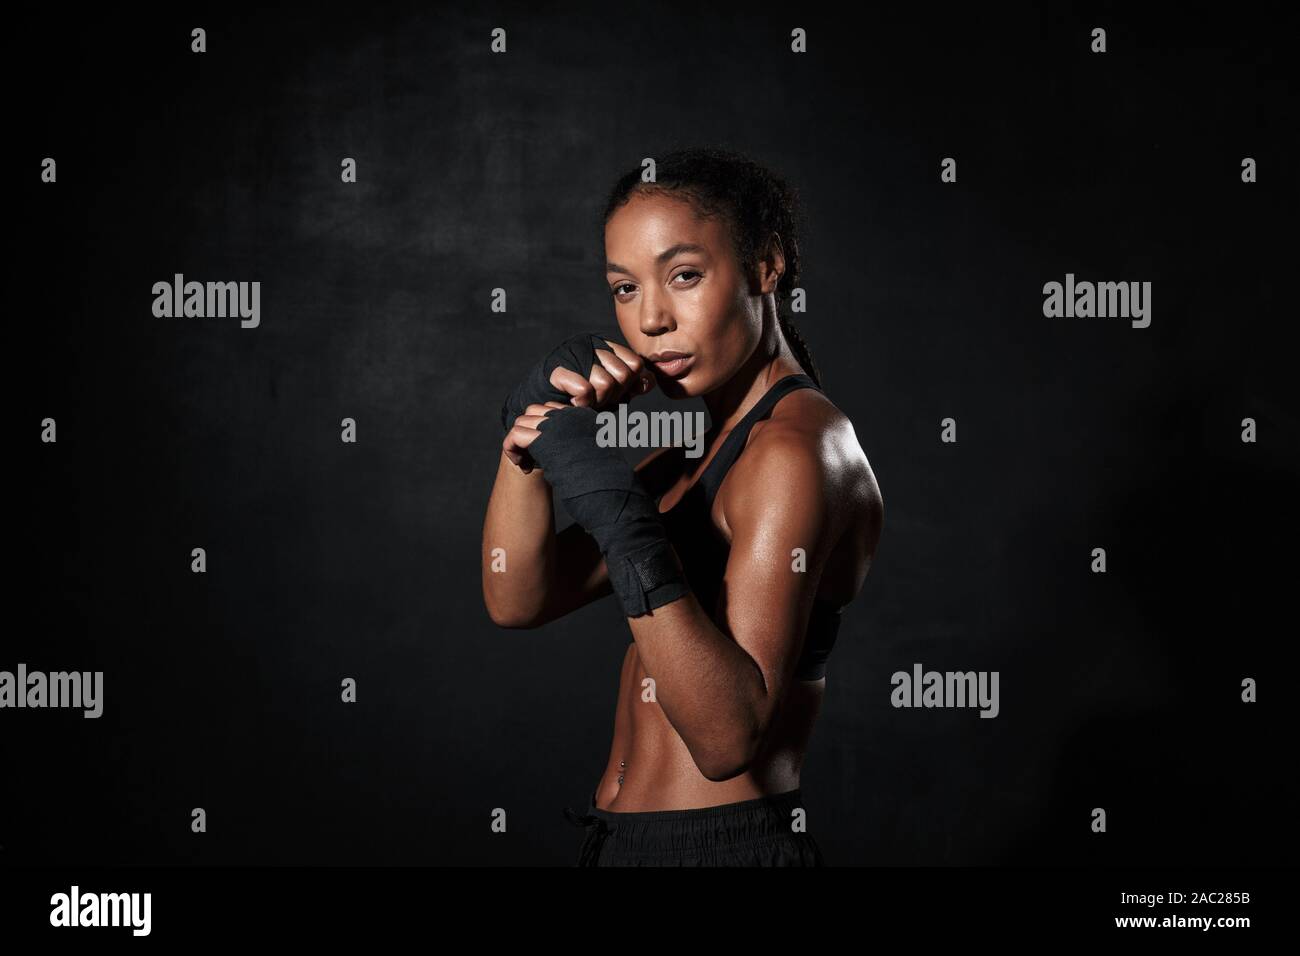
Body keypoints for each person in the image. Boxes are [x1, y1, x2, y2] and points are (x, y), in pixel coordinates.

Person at [482, 147, 883, 865]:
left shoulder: (795, 451)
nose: (652, 319)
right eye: (625, 290)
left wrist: (618, 514)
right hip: (631, 843)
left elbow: (727, 739)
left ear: (767, 263)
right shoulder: (704, 452)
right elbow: (518, 597)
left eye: (684, 276)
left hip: (722, 850)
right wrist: (533, 432)